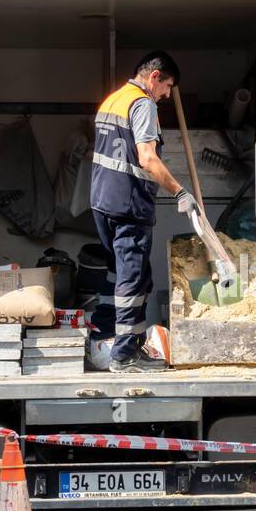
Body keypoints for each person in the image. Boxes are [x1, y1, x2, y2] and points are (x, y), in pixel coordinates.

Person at [90, 50, 197, 373]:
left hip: (103, 202)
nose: (166, 94)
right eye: (167, 86)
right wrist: (180, 191)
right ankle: (124, 356)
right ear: (154, 78)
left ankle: (106, 338)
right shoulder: (142, 104)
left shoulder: (112, 100)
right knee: (133, 281)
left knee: (118, 275)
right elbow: (148, 159)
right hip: (128, 205)